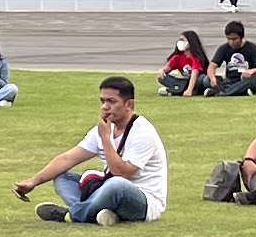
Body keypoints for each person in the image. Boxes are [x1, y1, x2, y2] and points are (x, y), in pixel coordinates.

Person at [22, 80, 171, 225]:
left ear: (129, 104)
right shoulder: (104, 129)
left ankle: (72, 215)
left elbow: (123, 173)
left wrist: (106, 138)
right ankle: (101, 213)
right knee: (61, 176)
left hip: (142, 201)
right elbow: (68, 158)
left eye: (112, 101)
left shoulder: (143, 132)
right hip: (108, 191)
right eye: (103, 101)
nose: (105, 107)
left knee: (117, 185)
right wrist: (34, 181)